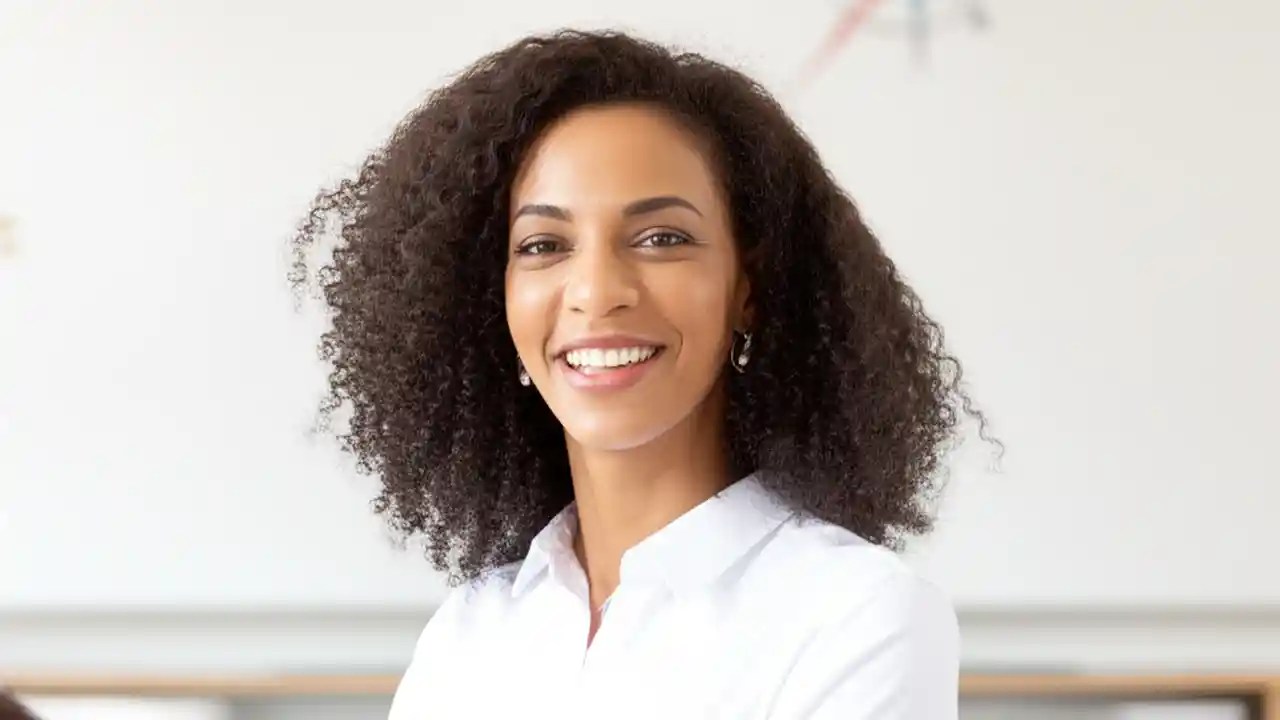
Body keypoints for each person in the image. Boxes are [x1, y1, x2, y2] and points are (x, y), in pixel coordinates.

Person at [291, 29, 996, 719]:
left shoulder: (856, 616)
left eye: (662, 239)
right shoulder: (468, 635)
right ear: (494, 301)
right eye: (543, 245)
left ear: (745, 287)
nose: (597, 291)